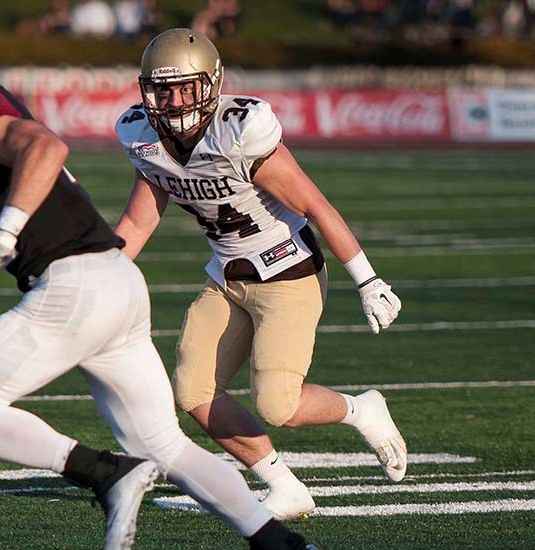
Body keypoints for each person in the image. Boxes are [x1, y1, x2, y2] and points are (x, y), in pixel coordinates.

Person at [0, 6, 313, 549]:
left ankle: (105, 473)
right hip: (113, 283)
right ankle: (285, 545)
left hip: (72, 283)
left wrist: (6, 235)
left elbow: (46, 146)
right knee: (164, 445)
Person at [113, 28, 408, 521]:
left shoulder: (239, 130)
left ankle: (361, 410)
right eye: (163, 90)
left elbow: (314, 204)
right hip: (227, 275)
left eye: (186, 87)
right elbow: (138, 222)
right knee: (193, 391)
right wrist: (98, 278)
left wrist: (368, 279)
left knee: (277, 405)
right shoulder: (144, 136)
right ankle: (284, 486)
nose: (174, 100)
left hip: (288, 273)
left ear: (211, 83)